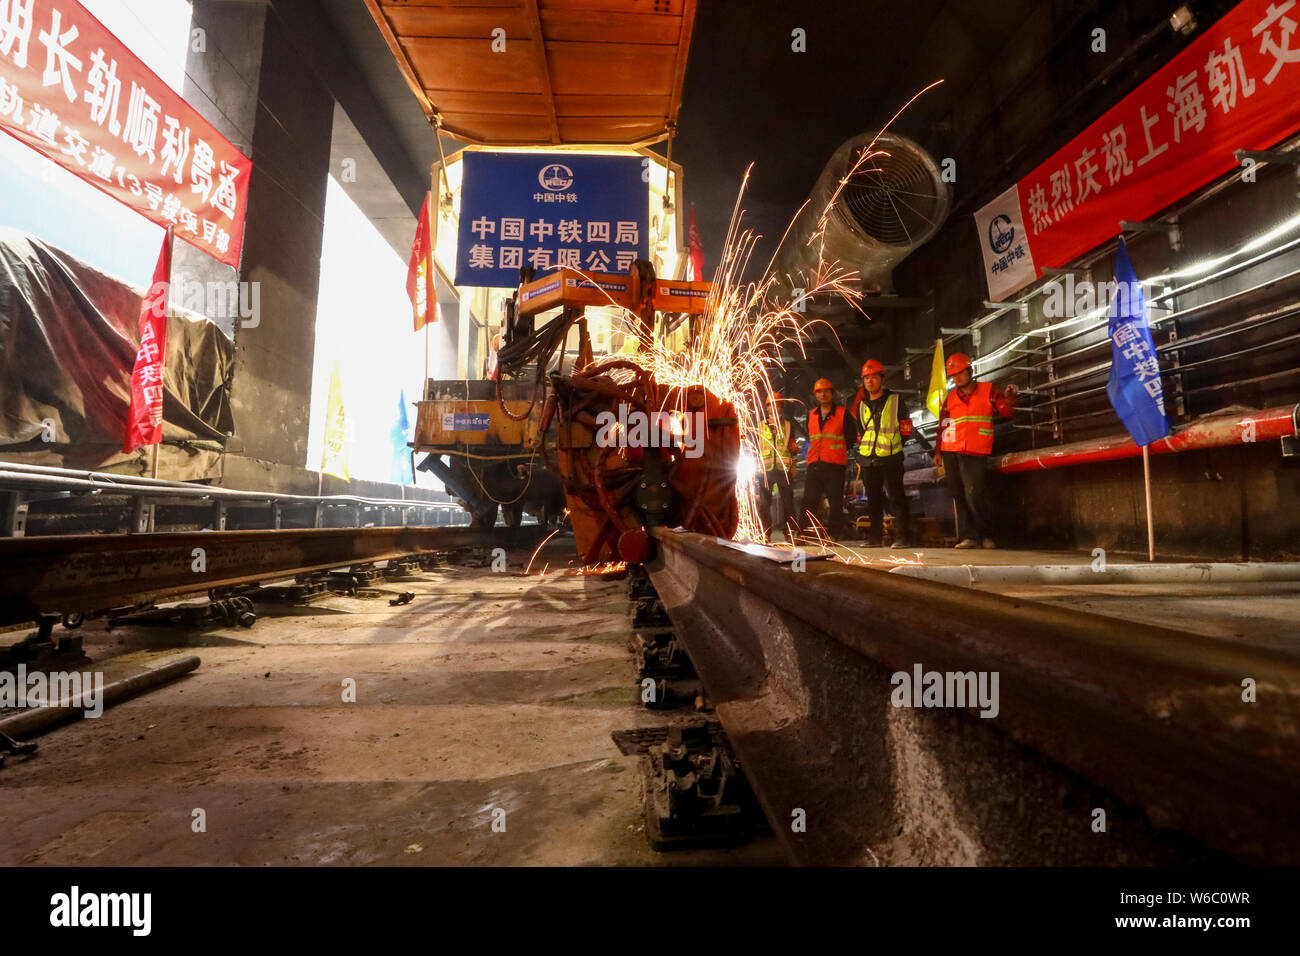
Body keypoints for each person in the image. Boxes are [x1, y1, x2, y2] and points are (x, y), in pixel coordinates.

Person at [933, 353, 1018, 549]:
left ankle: (987, 535)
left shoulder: (988, 391)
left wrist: (1011, 399)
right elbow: (943, 425)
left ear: (970, 371)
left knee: (975, 495)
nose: (957, 378)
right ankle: (970, 537)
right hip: (951, 451)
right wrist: (938, 451)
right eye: (953, 375)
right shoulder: (950, 398)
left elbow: (1007, 411)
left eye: (960, 373)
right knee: (959, 495)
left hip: (975, 451)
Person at [850, 359, 915, 548]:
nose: (870, 381)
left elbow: (906, 428)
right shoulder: (861, 405)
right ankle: (874, 538)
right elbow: (863, 431)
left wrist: (894, 446)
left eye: (873, 377)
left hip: (891, 457)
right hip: (869, 459)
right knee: (873, 500)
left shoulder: (895, 400)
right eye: (866, 378)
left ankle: (904, 537)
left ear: (882, 379)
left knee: (896, 497)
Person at [801, 377, 858, 537]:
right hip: (815, 464)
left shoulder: (842, 413)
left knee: (835, 502)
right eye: (819, 391)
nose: (823, 394)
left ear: (832, 393)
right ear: (815, 395)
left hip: (835, 464)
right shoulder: (811, 415)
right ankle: (804, 533)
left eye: (826, 391)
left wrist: (837, 450)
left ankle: (834, 534)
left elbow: (851, 437)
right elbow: (811, 437)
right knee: (809, 500)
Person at [755, 392, 798, 541]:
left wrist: (793, 466)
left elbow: (793, 447)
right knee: (764, 504)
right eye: (772, 405)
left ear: (781, 407)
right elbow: (755, 447)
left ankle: (790, 533)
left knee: (788, 504)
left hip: (783, 470)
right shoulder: (760, 426)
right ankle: (765, 534)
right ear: (767, 408)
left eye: (778, 405)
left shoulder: (787, 425)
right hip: (765, 471)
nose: (775, 408)